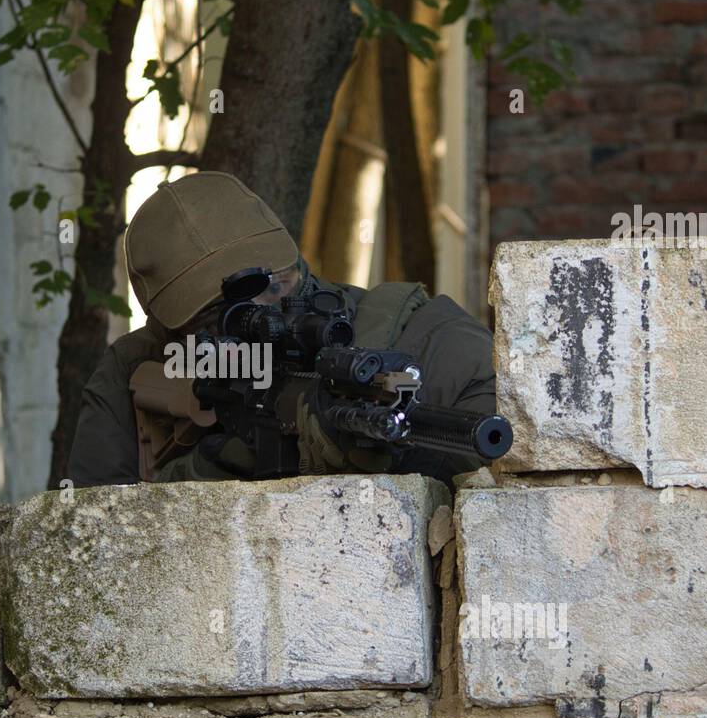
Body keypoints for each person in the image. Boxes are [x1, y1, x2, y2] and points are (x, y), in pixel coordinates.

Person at [68, 171, 496, 485]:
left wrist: (384, 459)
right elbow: (92, 550)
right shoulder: (132, 371)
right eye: (217, 313)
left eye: (275, 285)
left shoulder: (432, 342)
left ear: (297, 264)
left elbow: (514, 505)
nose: (260, 313)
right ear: (166, 328)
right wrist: (202, 473)